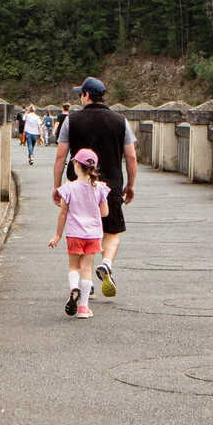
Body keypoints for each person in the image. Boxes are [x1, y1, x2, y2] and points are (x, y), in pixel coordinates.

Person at [52, 76, 134, 297]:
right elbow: (131, 157)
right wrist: (130, 185)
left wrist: (57, 186)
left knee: (83, 233)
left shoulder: (71, 121)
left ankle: (84, 283)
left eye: (81, 94)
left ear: (87, 96)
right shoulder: (120, 121)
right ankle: (106, 263)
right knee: (112, 232)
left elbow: (61, 156)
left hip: (78, 187)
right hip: (111, 186)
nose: (80, 98)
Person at [49, 148, 110, 317]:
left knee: (74, 266)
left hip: (74, 233)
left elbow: (62, 214)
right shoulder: (100, 188)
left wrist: (58, 235)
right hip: (93, 234)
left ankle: (73, 287)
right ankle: (83, 307)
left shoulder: (68, 188)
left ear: (76, 165)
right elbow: (105, 213)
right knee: (87, 269)